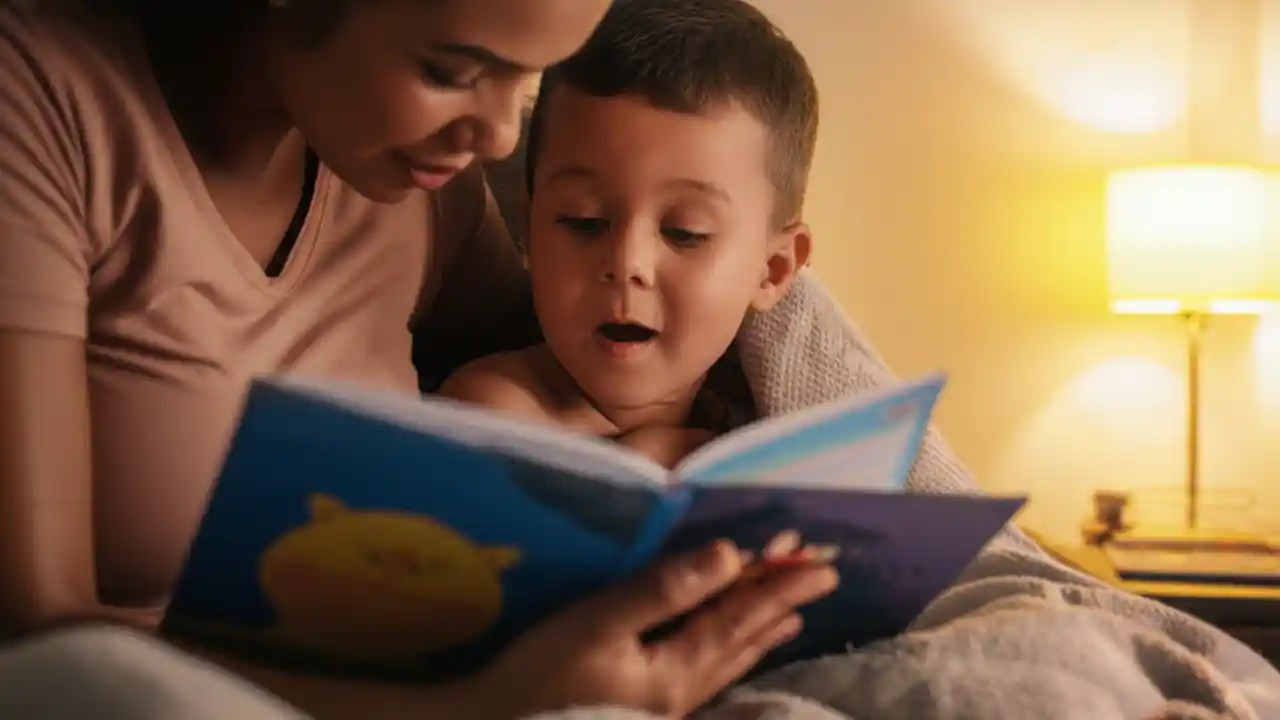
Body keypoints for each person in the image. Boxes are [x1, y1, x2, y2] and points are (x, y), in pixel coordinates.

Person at [0, 0, 838, 717]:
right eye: (454, 68)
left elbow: (607, 360)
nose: (503, 139)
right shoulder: (42, 98)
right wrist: (483, 704)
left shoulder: (425, 185)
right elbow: (44, 635)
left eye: (530, 81)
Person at [440, 0, 815, 471]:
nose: (627, 262)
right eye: (584, 221)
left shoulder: (761, 425)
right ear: (529, 229)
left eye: (685, 233)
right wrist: (642, 469)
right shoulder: (491, 413)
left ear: (775, 270)